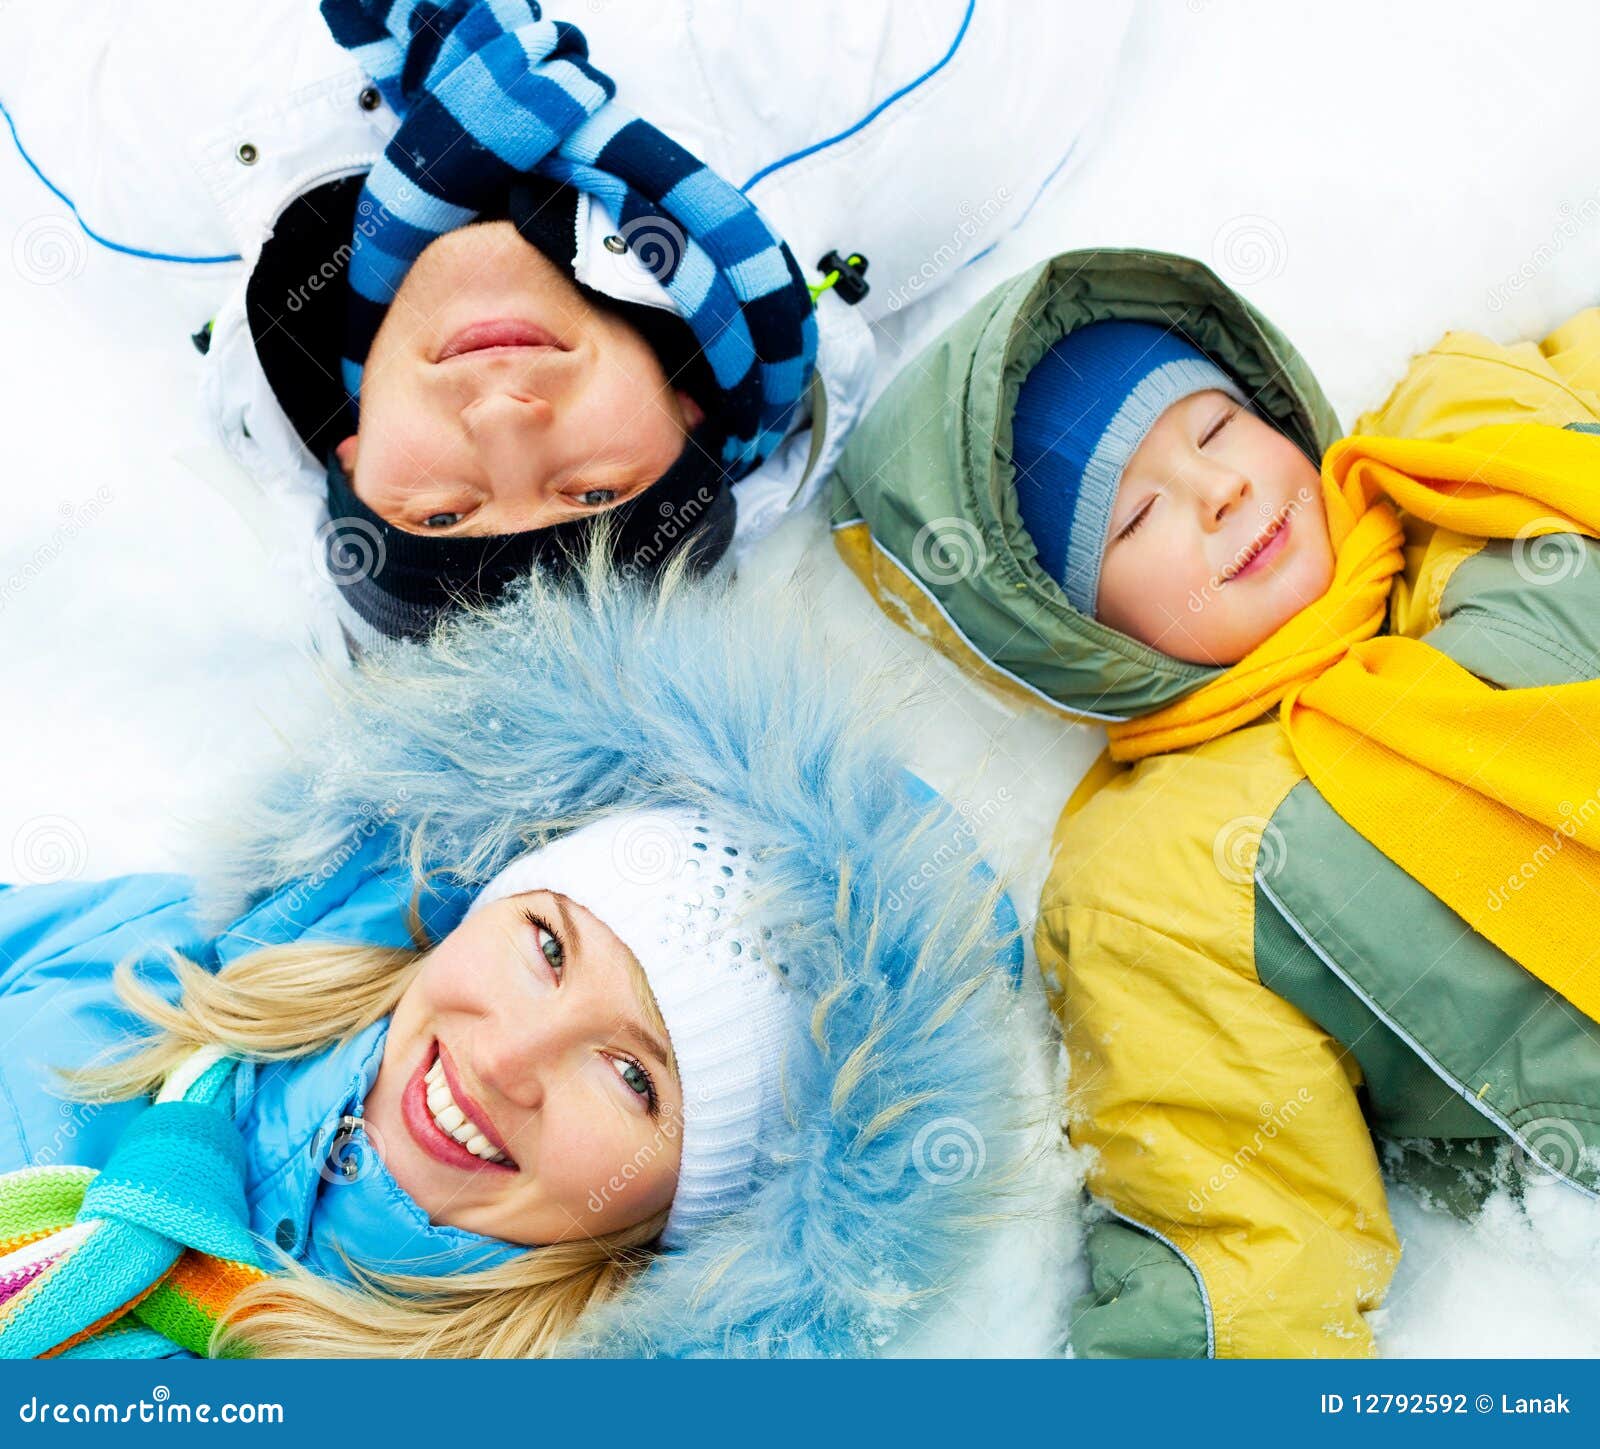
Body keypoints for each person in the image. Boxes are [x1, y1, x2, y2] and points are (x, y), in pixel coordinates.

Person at [830, 247, 1600, 1357]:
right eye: (1132, 519)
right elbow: (1242, 1241)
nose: (1219, 488)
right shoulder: (1163, 878)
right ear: (1070, 629)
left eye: (1217, 427)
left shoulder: (1472, 444)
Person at [0, 557, 1023, 1358]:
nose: (506, 1059)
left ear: (680, 1213)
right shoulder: (181, 956)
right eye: (547, 944)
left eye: (633, 1078)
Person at [0, 0, 1132, 651]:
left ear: (347, 458)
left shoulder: (116, 202)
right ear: (692, 421)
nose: (504, 418)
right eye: (590, 492)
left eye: (440, 508)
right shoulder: (912, 107)